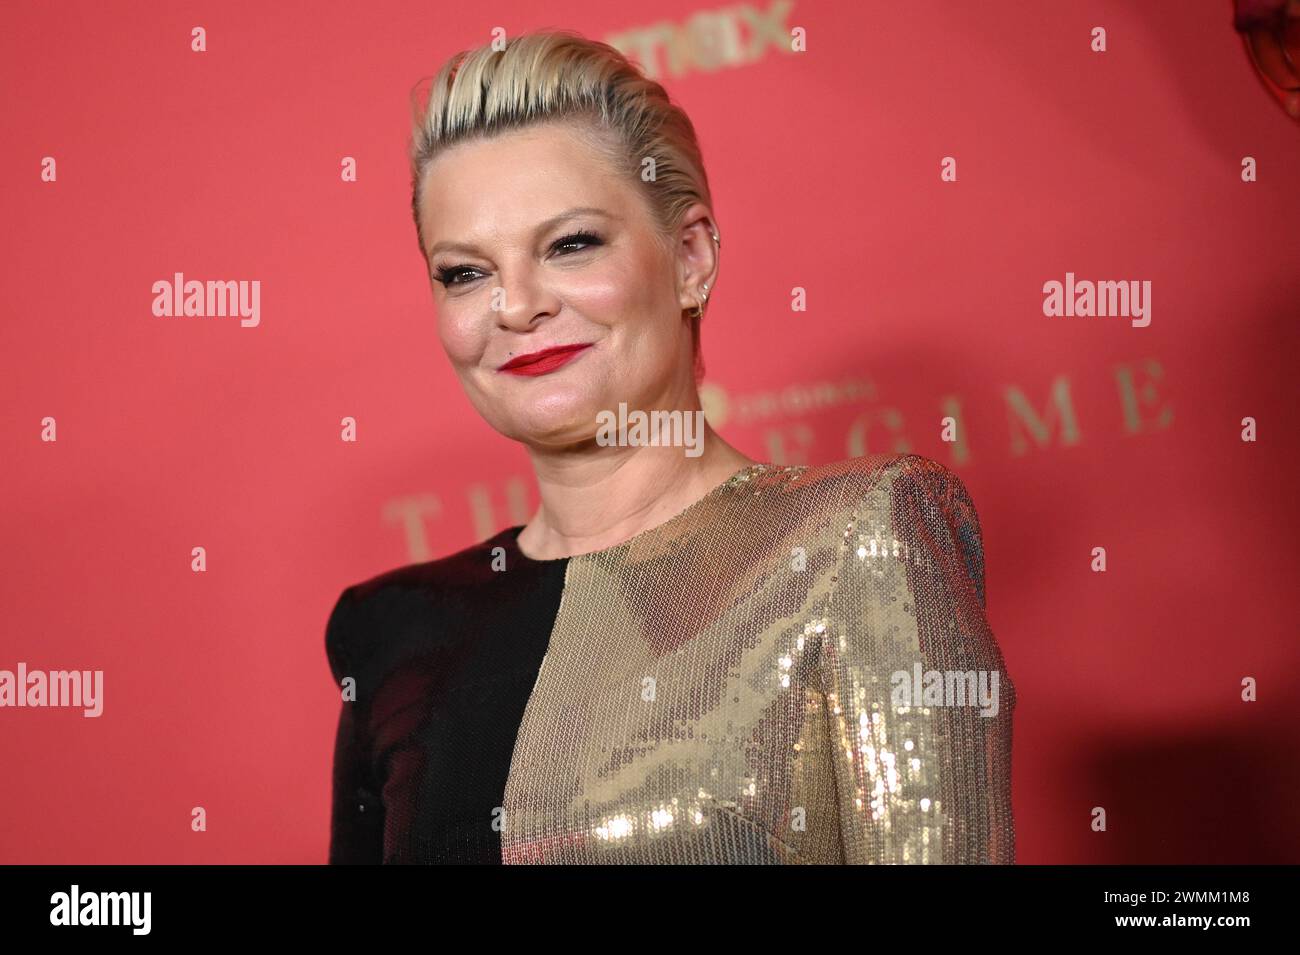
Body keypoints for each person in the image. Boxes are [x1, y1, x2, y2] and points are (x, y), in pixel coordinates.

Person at [325, 28, 1015, 864]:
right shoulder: (390, 630)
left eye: (571, 244)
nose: (516, 305)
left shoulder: (855, 540)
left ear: (689, 258)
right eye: (464, 272)